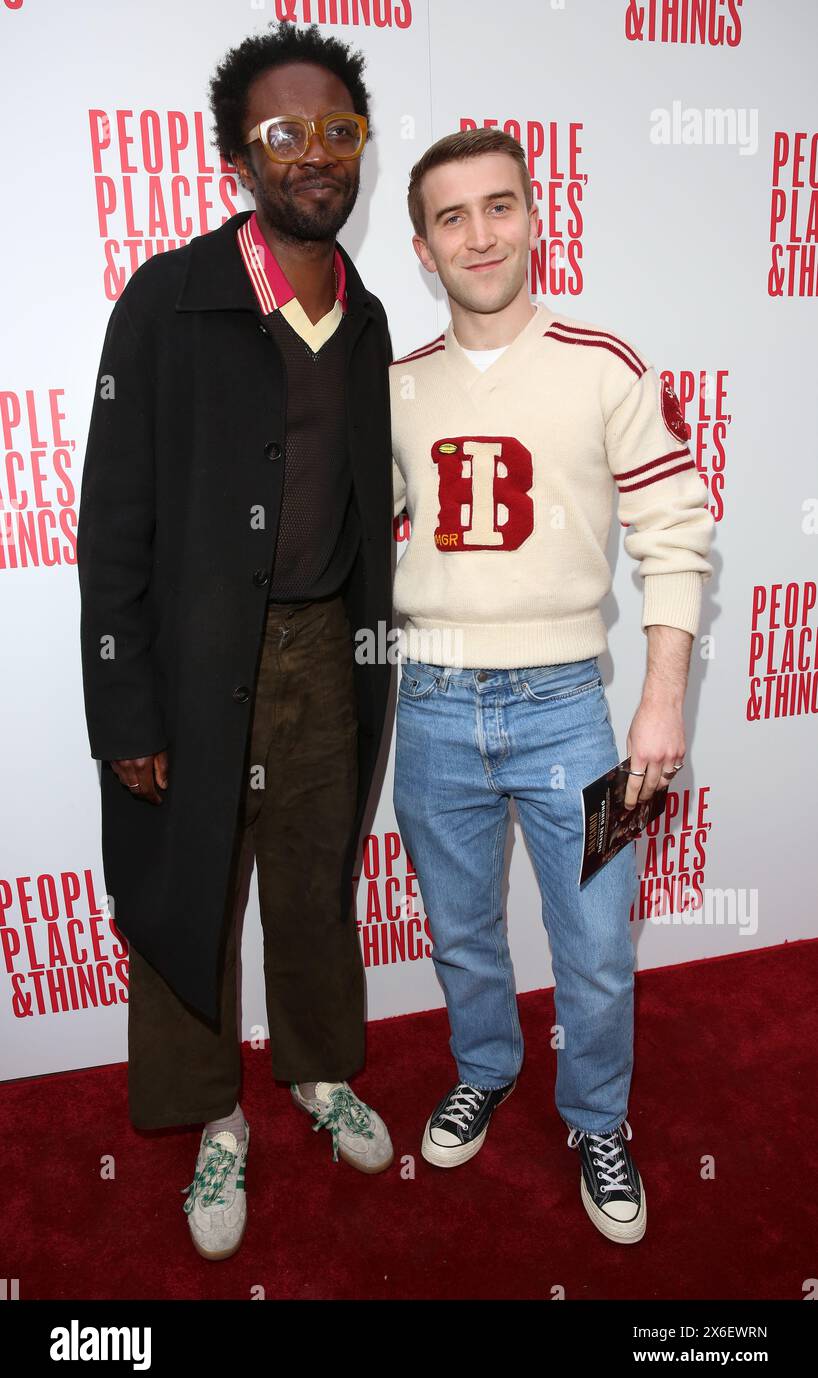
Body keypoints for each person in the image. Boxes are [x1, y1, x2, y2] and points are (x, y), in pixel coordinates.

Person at [77, 22, 395, 1262]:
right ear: (234, 158)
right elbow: (113, 523)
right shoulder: (167, 299)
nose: (312, 154)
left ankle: (317, 1073)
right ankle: (215, 1114)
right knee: (183, 897)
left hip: (329, 661)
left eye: (336, 131)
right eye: (282, 133)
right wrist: (128, 712)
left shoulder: (368, 319)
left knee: (316, 889)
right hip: (194, 661)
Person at [389, 127, 715, 1244]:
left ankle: (597, 1118)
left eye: (497, 206)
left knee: (595, 946)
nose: (478, 234)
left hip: (571, 713)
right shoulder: (391, 390)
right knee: (460, 932)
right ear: (422, 248)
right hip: (430, 709)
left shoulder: (601, 364)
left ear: (535, 216)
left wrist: (661, 698)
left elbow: (674, 533)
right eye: (449, 217)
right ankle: (484, 1067)